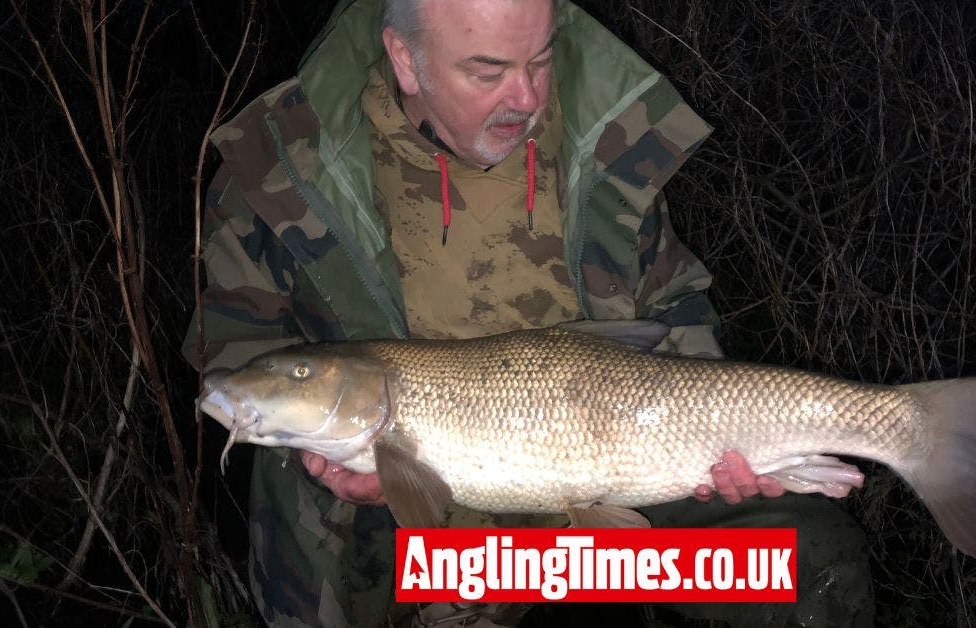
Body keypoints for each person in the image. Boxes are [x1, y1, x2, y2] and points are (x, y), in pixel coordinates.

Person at [185, 0, 874, 626]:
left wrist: (731, 447)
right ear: (405, 59)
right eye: (487, 73)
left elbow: (675, 311)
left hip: (597, 530)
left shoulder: (606, 148)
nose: (526, 97)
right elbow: (238, 356)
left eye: (540, 61)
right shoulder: (279, 173)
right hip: (407, 546)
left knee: (800, 564)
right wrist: (334, 463)